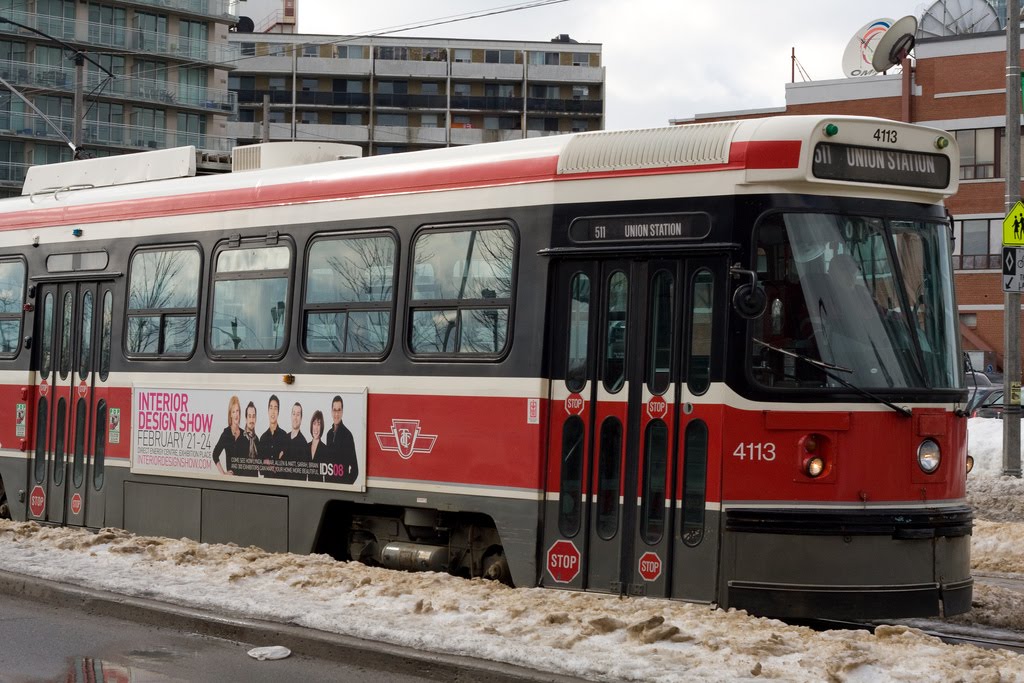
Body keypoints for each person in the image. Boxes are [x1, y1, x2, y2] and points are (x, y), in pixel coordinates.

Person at [325, 395, 358, 485]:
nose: (336, 414)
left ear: (342, 412)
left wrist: (345, 486)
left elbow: (355, 470)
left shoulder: (348, 435)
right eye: (334, 410)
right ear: (331, 411)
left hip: (341, 488)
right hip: (329, 486)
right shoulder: (328, 434)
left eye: (339, 410)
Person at [211, 395, 246, 475]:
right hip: (231, 481)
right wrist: (223, 474)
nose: (236, 414)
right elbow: (215, 454)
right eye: (233, 412)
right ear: (230, 414)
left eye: (237, 411)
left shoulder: (244, 434)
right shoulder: (226, 433)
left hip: (244, 480)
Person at [258, 394, 289, 475]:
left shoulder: (284, 436)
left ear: (278, 411)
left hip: (281, 484)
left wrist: (268, 462)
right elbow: (260, 470)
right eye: (271, 407)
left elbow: (286, 465)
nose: (273, 411)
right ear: (268, 410)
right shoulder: (263, 438)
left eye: (275, 408)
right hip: (266, 485)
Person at [236, 401, 260, 477]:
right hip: (241, 484)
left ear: (256, 419)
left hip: (254, 483)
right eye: (249, 416)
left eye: (253, 416)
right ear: (246, 418)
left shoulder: (257, 440)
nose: (251, 420)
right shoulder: (240, 439)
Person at [284, 402, 307, 480]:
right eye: (293, 414)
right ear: (291, 416)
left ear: (301, 418)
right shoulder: (285, 438)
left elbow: (302, 475)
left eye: (298, 414)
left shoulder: (303, 443)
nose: (295, 417)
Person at [308, 410, 326, 482]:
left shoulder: (325, 449)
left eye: (318, 424)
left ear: (321, 427)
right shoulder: (305, 446)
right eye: (314, 423)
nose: (316, 427)